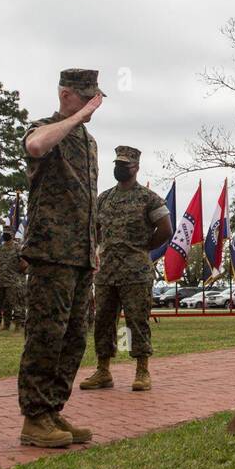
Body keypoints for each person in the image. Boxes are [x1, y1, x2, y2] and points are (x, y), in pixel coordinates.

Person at [16, 68, 104, 449]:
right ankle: (34, 418)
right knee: (46, 335)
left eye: (94, 99)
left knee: (73, 338)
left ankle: (52, 409)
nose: (92, 106)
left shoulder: (90, 143)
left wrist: (94, 247)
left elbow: (87, 200)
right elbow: (35, 148)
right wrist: (75, 119)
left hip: (81, 255)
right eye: (85, 98)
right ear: (65, 95)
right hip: (51, 253)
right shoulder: (45, 128)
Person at [80, 146, 173, 393]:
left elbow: (166, 229)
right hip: (106, 272)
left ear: (136, 167)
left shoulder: (148, 198)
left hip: (136, 273)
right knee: (103, 322)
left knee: (136, 321)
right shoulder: (104, 198)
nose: (120, 169)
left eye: (125, 165)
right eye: (118, 164)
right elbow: (95, 230)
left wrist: (143, 249)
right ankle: (103, 370)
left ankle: (142, 371)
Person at [0, 229, 24, 335]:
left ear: (12, 235)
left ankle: (18, 326)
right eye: (4, 233)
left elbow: (25, 263)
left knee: (15, 304)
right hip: (0, 281)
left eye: (8, 233)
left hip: (13, 281)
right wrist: (0, 269)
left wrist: (16, 272)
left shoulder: (19, 248)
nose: (6, 234)